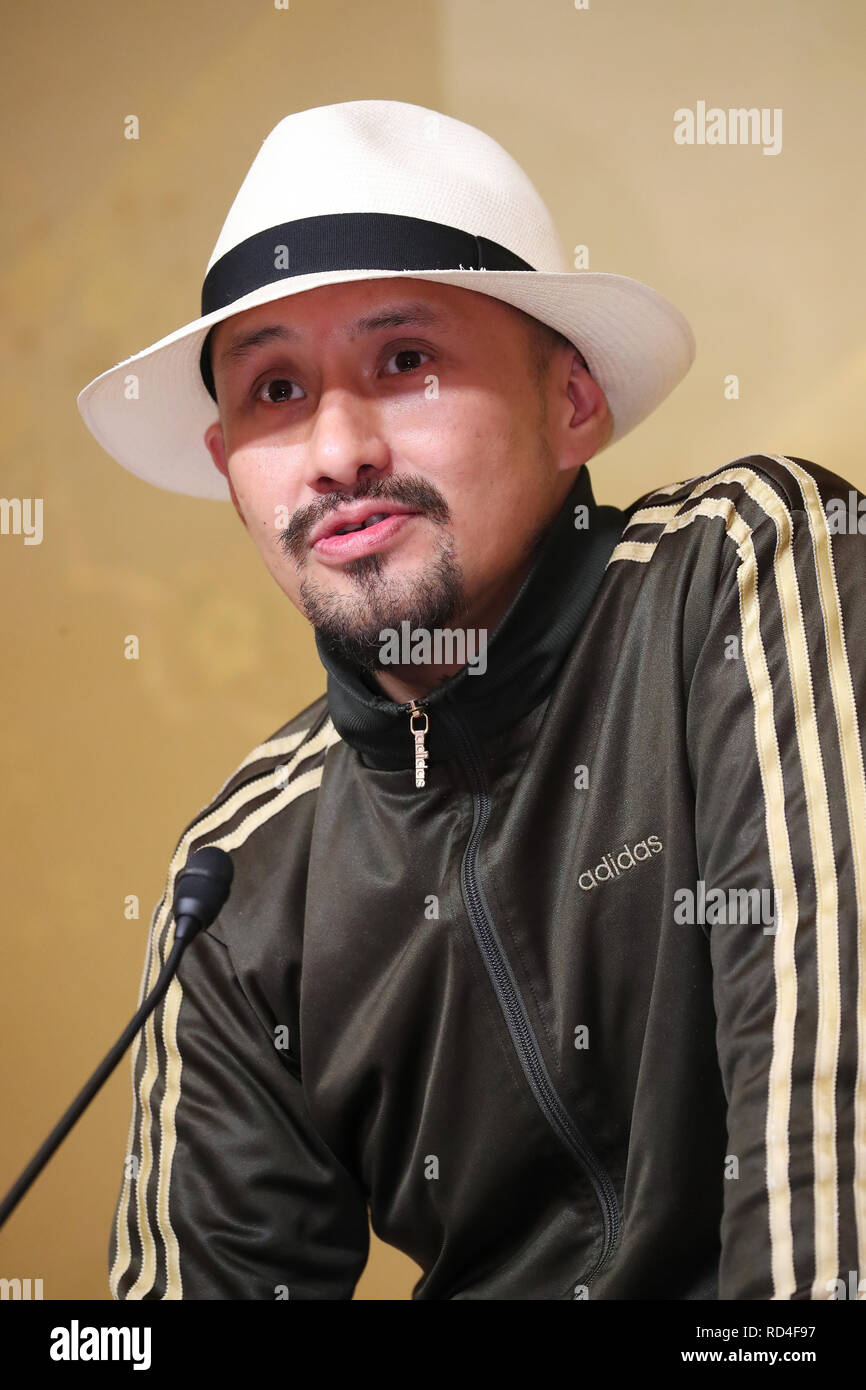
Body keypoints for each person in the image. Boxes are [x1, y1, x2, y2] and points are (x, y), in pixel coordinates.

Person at [78, 99, 866, 1301]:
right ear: (229, 473)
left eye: (402, 360)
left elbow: (831, 1164)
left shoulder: (742, 571)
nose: (335, 451)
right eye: (275, 390)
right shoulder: (234, 889)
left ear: (571, 403)